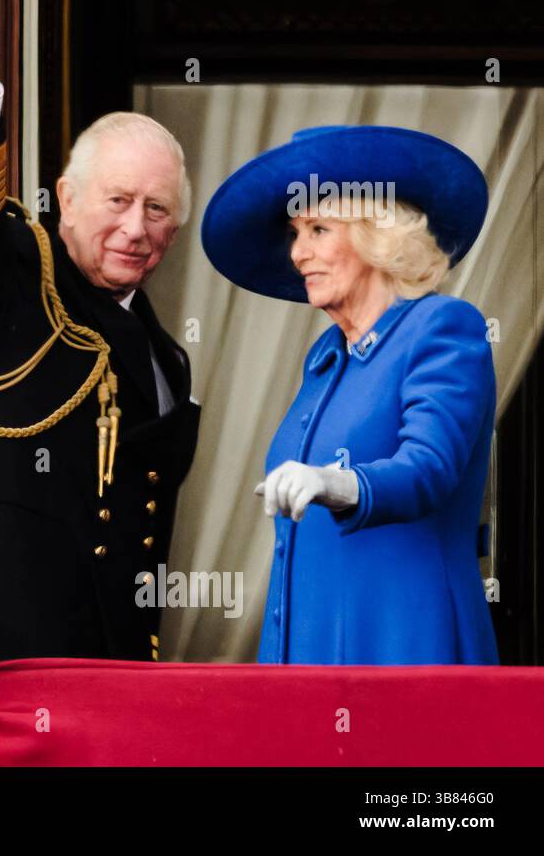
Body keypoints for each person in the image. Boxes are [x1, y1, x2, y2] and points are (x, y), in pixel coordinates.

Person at [0, 0, 200, 664]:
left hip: (106, 664)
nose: (134, 228)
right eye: (118, 199)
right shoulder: (12, 275)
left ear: (176, 229)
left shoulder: (167, 358)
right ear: (65, 196)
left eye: (157, 210)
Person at [201, 124, 499, 664]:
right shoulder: (327, 361)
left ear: (377, 233)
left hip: (405, 650)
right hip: (309, 658)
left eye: (318, 228)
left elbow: (429, 468)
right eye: (295, 233)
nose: (298, 253)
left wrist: (334, 482)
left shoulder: (442, 327)